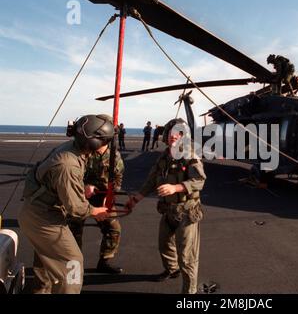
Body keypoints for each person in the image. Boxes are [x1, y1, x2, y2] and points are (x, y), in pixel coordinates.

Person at [18, 114, 112, 294]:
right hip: (43, 217)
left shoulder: (71, 148)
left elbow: (55, 180)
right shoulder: (69, 164)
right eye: (104, 142)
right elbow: (75, 208)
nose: (106, 146)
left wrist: (81, 187)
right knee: (73, 262)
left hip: (37, 211)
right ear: (93, 142)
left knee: (47, 260)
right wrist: (95, 211)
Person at [126, 118, 206, 294]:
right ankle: (172, 269)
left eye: (178, 133)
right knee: (164, 245)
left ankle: (189, 293)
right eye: (171, 133)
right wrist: (136, 198)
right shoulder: (165, 156)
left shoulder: (189, 154)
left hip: (186, 212)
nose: (173, 136)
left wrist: (175, 187)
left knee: (187, 257)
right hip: (168, 211)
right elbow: (151, 180)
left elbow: (199, 181)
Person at [68, 134, 125, 274]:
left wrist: (107, 191)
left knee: (113, 228)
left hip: (102, 198)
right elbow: (72, 175)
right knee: (73, 230)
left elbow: (118, 178)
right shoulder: (85, 152)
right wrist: (85, 186)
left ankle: (104, 261)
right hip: (80, 196)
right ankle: (74, 264)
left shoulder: (114, 156)